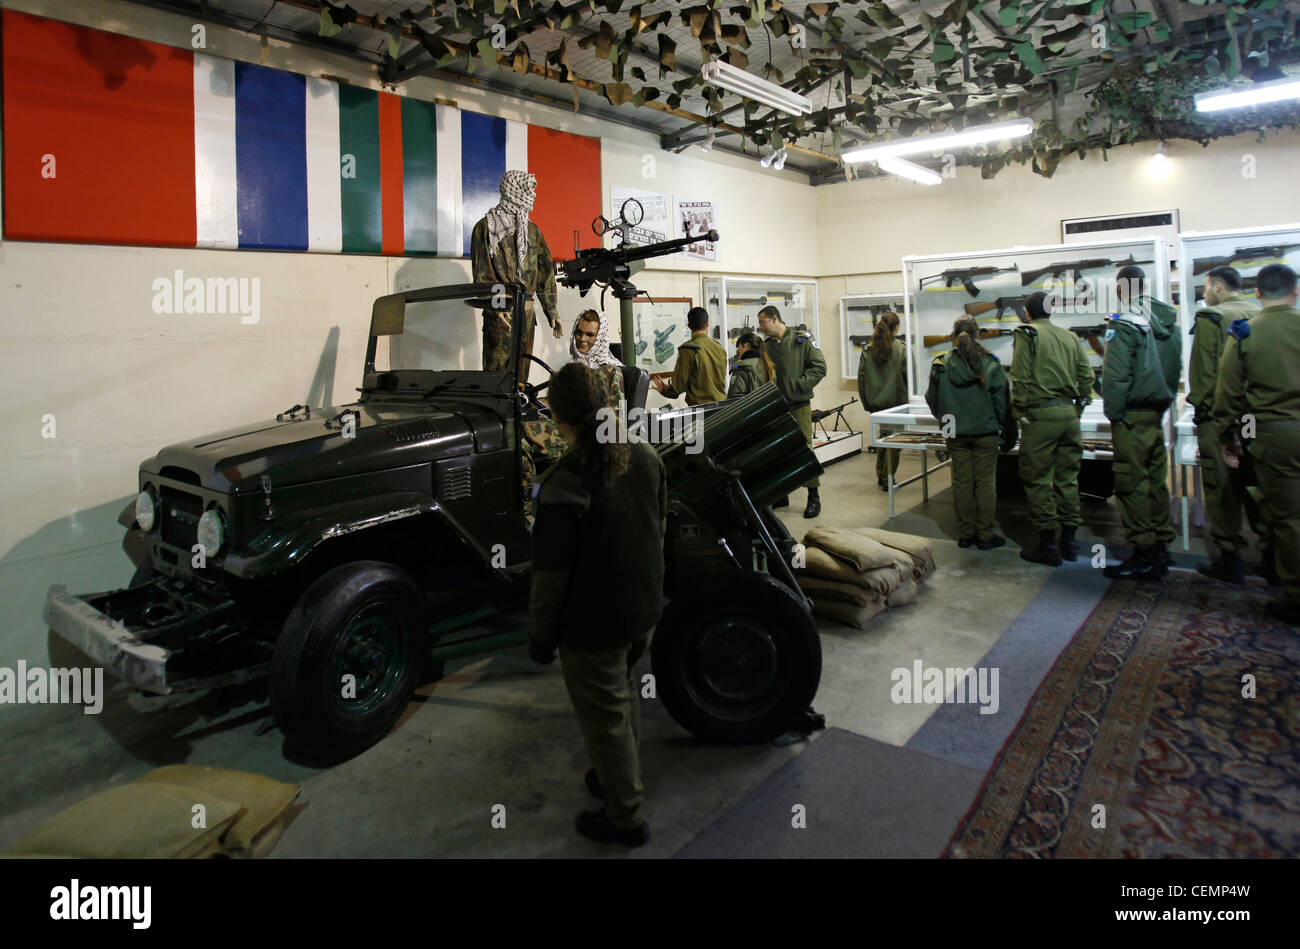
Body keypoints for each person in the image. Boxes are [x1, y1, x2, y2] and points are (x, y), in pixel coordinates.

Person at [528, 362, 667, 845]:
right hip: (642, 609)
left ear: (556, 413)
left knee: (605, 717)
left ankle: (625, 817)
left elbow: (550, 577)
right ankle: (615, 775)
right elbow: (658, 530)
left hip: (594, 623)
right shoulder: (645, 455)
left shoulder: (564, 482)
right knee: (624, 697)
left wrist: (541, 637)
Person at [1212, 263, 1300, 623]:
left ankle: (1294, 595)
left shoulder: (1245, 331)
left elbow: (1228, 392)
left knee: (1288, 517)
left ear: (1258, 293)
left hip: (1276, 435)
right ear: (1295, 291)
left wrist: (1227, 437)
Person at [1100, 265, 1182, 580]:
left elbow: (1116, 375)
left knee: (1130, 483)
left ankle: (1143, 553)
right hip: (1156, 412)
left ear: (1120, 287)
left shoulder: (1124, 322)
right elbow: (1174, 369)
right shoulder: (1166, 320)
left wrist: (1115, 413)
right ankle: (1160, 545)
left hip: (1131, 415)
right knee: (1154, 482)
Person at [1188, 266, 1264, 583]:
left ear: (1217, 287)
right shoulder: (1260, 313)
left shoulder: (1212, 317)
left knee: (1222, 487)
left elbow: (1204, 373)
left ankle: (1229, 557)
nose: (1205, 294)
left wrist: (1204, 414)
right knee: (1256, 484)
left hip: (1223, 418)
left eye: (1206, 287)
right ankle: (1274, 556)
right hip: (1255, 419)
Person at [1010, 290, 1094, 566]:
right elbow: (1086, 375)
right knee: (1068, 478)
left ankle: (1048, 544)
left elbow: (1020, 376)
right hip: (1069, 414)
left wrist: (1018, 411)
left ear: (1027, 312)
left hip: (1041, 415)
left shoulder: (1027, 334)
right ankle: (1069, 541)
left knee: (1037, 478)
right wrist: (1078, 407)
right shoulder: (1069, 337)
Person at [926, 316, 1016, 550]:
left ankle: (965, 534)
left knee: (961, 482)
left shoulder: (940, 364)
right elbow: (1002, 403)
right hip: (985, 431)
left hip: (954, 431)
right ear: (977, 335)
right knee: (985, 483)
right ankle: (986, 535)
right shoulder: (991, 364)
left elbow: (932, 400)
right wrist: (1005, 431)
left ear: (954, 334)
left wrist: (946, 423)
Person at [470, 170, 564, 380]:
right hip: (502, 315)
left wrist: (552, 310)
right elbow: (482, 273)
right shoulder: (486, 228)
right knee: (497, 373)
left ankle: (519, 409)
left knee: (522, 374)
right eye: (526, 189)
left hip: (527, 314)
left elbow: (545, 275)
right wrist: (496, 306)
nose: (531, 195)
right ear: (512, 190)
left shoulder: (532, 231)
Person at [758, 305, 827, 518]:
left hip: (799, 405)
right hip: (776, 408)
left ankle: (813, 496)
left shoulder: (802, 340)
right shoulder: (767, 346)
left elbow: (820, 367)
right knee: (778, 450)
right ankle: (781, 493)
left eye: (763, 322)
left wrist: (799, 386)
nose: (760, 327)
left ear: (775, 319)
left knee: (804, 449)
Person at [857, 311, 908, 491]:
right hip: (897, 405)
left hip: (877, 405)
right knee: (894, 443)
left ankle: (881, 474)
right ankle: (888, 478)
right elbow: (909, 378)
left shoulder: (868, 350)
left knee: (883, 439)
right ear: (896, 328)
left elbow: (861, 381)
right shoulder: (901, 349)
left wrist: (867, 404)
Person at [654, 306, 727, 405]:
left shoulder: (688, 350)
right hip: (722, 408)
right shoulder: (720, 348)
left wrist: (666, 390)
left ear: (689, 326)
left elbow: (677, 389)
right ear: (707, 323)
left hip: (701, 412)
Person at [727, 331, 775, 398]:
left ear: (745, 345)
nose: (738, 351)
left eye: (739, 347)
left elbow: (734, 397)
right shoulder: (769, 364)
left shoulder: (742, 367)